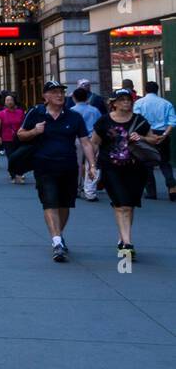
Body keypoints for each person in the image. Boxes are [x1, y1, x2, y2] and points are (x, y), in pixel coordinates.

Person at [17, 80, 97, 263]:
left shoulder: (74, 117)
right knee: (50, 202)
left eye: (61, 92)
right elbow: (21, 134)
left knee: (64, 204)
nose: (59, 95)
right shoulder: (36, 113)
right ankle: (57, 242)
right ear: (45, 96)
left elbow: (85, 141)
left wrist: (92, 165)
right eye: (54, 92)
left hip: (68, 166)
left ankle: (58, 235)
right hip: (44, 166)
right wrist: (34, 132)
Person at [93, 88, 161, 263]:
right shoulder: (104, 121)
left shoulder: (140, 121)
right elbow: (94, 144)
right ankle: (128, 244)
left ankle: (123, 239)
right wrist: (91, 166)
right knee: (121, 204)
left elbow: (154, 139)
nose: (126, 102)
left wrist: (142, 138)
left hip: (135, 169)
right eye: (122, 99)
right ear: (114, 103)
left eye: (128, 99)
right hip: (111, 168)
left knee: (129, 206)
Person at [133, 81, 176, 201]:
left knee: (147, 164)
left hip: (146, 134)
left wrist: (147, 135)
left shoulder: (139, 103)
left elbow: (137, 120)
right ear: (157, 90)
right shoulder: (166, 103)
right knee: (165, 162)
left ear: (145, 90)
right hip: (162, 134)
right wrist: (164, 135)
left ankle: (151, 192)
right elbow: (172, 122)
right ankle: (172, 186)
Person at [70, 86, 103, 201]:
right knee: (92, 165)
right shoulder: (94, 110)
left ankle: (75, 189)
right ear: (87, 97)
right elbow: (100, 125)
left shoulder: (72, 111)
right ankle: (90, 192)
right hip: (92, 139)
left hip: (77, 139)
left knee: (76, 165)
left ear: (74, 98)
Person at [0, 94, 26, 183]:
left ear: (14, 101)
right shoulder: (1, 113)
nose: (9, 102)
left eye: (11, 100)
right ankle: (14, 175)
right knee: (11, 157)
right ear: (5, 102)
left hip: (19, 137)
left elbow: (24, 124)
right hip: (7, 138)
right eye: (7, 100)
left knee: (20, 156)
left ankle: (19, 174)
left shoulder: (20, 112)